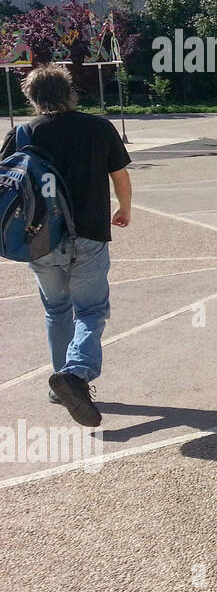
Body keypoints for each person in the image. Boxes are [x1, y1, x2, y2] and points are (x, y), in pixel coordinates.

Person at [0, 64, 132, 427]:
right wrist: (124, 209)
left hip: (39, 239)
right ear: (70, 92)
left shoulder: (22, 133)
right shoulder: (98, 127)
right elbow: (119, 175)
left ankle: (61, 386)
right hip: (89, 234)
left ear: (32, 97)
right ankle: (75, 373)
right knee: (90, 311)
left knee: (56, 310)